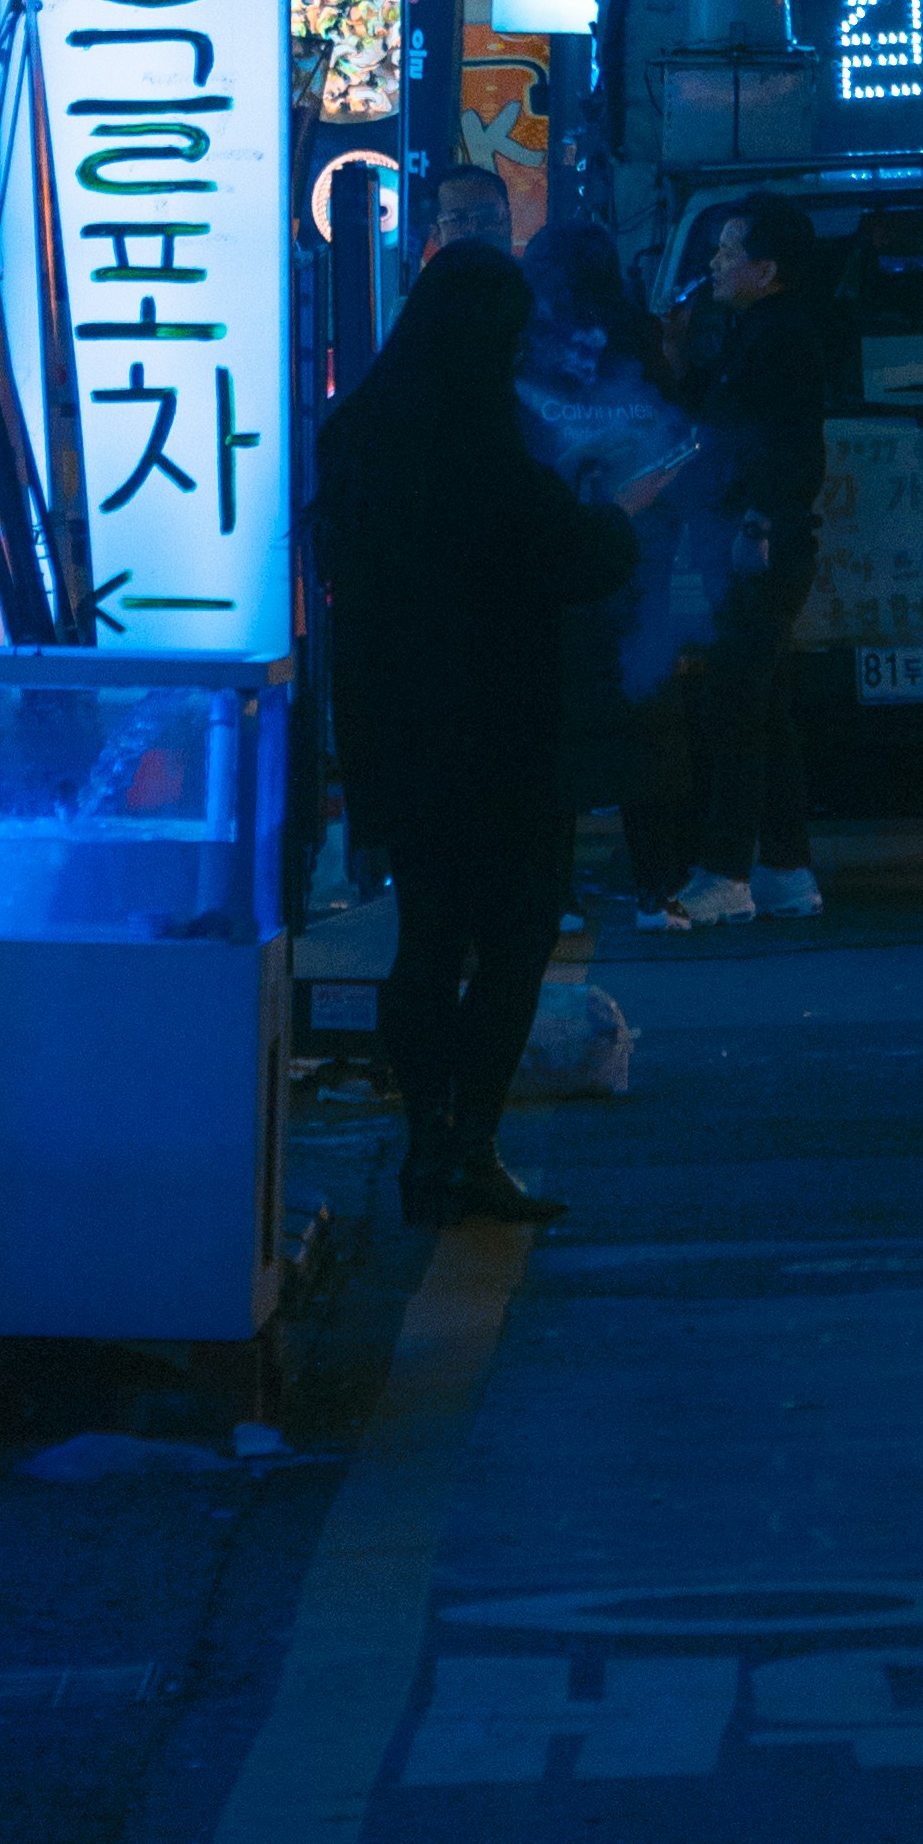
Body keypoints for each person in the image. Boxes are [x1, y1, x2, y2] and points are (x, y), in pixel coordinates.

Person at [309, 244, 640, 1225]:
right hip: (501, 734)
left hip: (397, 730)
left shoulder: (360, 432)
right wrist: (618, 511)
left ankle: (424, 1146)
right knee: (514, 937)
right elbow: (574, 560)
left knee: (426, 939)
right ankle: (472, 1146)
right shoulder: (488, 441)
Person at [658, 194, 834, 926]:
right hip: (747, 532)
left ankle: (727, 872)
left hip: (757, 539)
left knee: (734, 700)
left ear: (766, 268)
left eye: (729, 251)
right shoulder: (751, 330)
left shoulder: (782, 337)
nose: (715, 262)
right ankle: (787, 870)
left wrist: (760, 522)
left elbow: (787, 443)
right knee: (764, 702)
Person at [519, 220, 700, 917]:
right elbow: (675, 424)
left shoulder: (525, 340)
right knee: (645, 710)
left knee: (554, 725)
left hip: (553, 556)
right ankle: (658, 884)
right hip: (638, 550)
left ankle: (554, 891)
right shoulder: (638, 333)